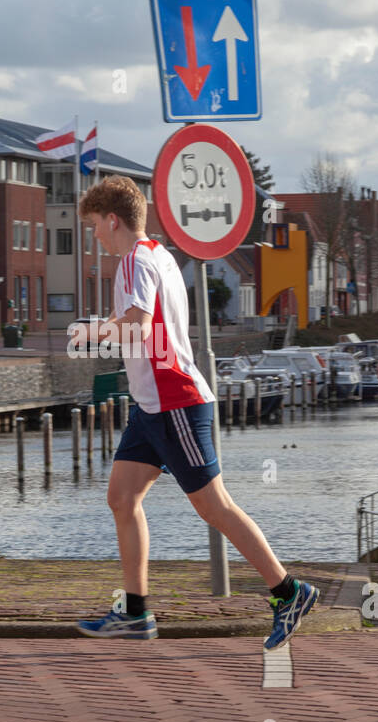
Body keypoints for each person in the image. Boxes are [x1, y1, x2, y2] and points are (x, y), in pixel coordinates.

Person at [70, 175, 318, 650]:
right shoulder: (160, 255)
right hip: (152, 406)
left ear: (112, 219)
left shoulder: (133, 262)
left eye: (95, 226)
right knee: (122, 498)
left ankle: (289, 592)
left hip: (175, 402)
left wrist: (93, 333)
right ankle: (137, 613)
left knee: (213, 505)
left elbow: (139, 328)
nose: (95, 235)